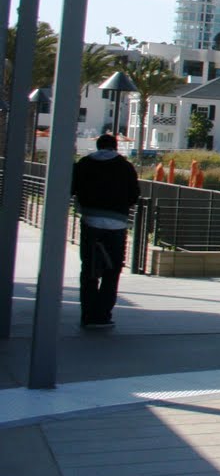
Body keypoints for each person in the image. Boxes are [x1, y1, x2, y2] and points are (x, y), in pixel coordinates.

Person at [72, 133, 141, 329]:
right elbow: (134, 195)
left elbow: (73, 187)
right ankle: (103, 314)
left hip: (90, 220)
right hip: (117, 223)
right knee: (113, 270)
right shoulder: (125, 166)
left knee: (88, 267)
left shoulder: (85, 163)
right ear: (115, 147)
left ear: (98, 145)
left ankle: (88, 314)